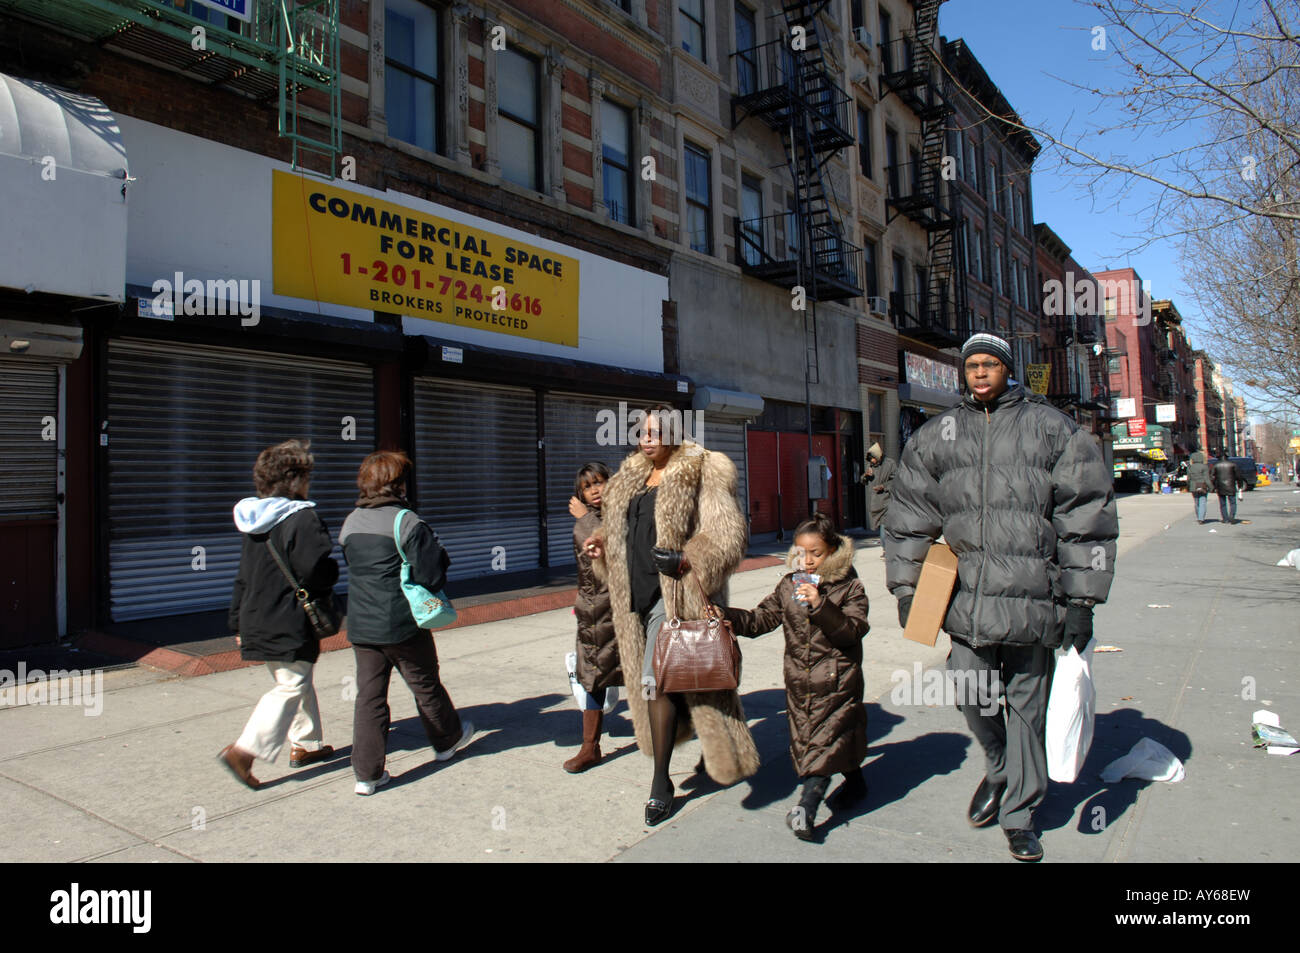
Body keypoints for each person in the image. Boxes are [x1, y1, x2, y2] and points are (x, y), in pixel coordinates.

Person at [884, 332, 1118, 862]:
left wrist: (1082, 602)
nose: (981, 373)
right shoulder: (936, 434)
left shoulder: (1052, 428)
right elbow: (907, 518)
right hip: (967, 600)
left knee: (1028, 711)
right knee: (971, 692)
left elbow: (1087, 518)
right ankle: (998, 767)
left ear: (1007, 369)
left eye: (991, 364)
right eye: (973, 366)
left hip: (1037, 599)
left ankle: (1020, 814)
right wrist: (908, 588)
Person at [582, 405, 757, 826]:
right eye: (641, 431)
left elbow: (729, 534)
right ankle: (710, 746)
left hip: (677, 596)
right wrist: (601, 546)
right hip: (634, 597)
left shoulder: (706, 467)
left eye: (656, 431)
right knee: (684, 683)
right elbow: (624, 530)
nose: (647, 438)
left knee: (655, 681)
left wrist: (686, 557)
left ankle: (661, 783)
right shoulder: (628, 477)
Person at [724, 512, 870, 842]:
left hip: (837, 683)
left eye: (816, 553)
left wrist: (820, 605)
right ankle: (857, 782)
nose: (808, 560)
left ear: (833, 550)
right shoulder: (789, 584)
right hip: (799, 684)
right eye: (801, 552)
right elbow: (761, 619)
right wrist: (726, 615)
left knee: (820, 748)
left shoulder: (850, 587)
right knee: (822, 743)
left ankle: (806, 808)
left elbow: (852, 631)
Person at [339, 450, 475, 796]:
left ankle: (366, 775)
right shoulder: (407, 522)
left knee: (369, 698)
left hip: (362, 625)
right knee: (425, 683)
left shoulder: (351, 522)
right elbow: (431, 574)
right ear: (396, 484)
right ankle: (447, 740)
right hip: (402, 623)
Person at [221, 439, 340, 789]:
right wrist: (332, 574)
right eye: (307, 475)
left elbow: (243, 575)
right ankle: (244, 752)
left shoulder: (253, 519)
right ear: (295, 479)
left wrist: (236, 620)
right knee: (292, 684)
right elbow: (316, 571)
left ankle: (306, 744)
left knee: (292, 678)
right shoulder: (302, 518)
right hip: (288, 618)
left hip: (255, 614)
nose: (310, 482)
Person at [564, 461, 621, 773]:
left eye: (599, 482)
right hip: (593, 611)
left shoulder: (621, 513)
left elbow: (612, 552)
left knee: (647, 678)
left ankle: (666, 733)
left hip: (621, 610)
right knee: (592, 678)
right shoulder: (586, 519)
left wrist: (584, 518)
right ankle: (590, 747)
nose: (595, 489)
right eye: (587, 486)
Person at [860, 442, 896, 541]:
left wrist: (883, 486)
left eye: (873, 458)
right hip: (875, 502)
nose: (872, 460)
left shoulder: (890, 464)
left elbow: (896, 481)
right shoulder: (870, 465)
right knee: (880, 525)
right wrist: (866, 476)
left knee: (885, 524)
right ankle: (887, 546)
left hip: (886, 500)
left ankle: (886, 548)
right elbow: (863, 481)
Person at [1211, 451, 1239, 525]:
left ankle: (1225, 518)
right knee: (1233, 503)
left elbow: (1212, 477)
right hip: (1231, 486)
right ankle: (1232, 516)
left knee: (1222, 503)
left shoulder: (1216, 465)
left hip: (1220, 486)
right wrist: (1240, 485)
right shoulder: (1233, 465)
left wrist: (1213, 486)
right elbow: (1238, 476)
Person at [1186, 451, 1211, 523]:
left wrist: (1188, 486)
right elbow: (1207, 478)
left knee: (1196, 502)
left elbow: (1189, 479)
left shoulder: (1190, 467)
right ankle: (1201, 518)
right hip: (1202, 485)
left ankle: (1198, 516)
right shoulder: (1205, 466)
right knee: (1202, 501)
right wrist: (1211, 487)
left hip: (1193, 486)